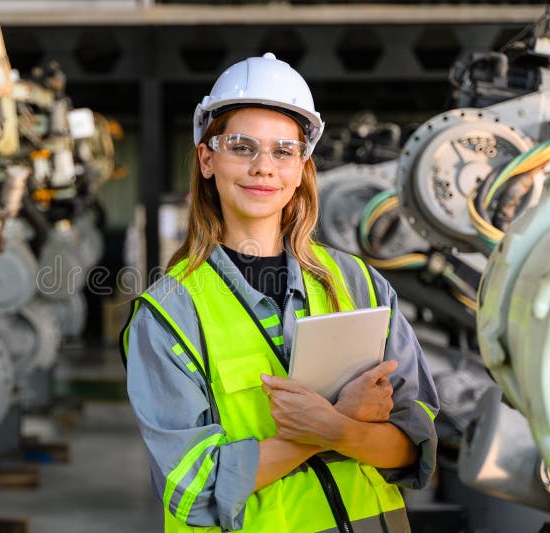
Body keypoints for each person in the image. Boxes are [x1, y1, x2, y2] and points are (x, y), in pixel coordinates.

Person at [121, 53, 439, 533]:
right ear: (207, 159)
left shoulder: (359, 284)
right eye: (241, 147)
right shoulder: (170, 314)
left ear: (302, 164)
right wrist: (336, 428)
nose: (263, 167)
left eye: (283, 150)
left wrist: (334, 428)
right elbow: (194, 490)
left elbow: (415, 445)